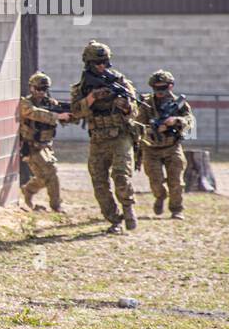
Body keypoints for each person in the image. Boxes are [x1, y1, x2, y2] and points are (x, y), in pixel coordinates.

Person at [69, 40, 141, 234]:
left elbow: (135, 110)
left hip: (120, 136)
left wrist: (125, 105)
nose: (102, 67)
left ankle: (128, 208)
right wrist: (92, 98)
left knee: (121, 175)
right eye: (97, 63)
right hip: (98, 138)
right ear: (88, 63)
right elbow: (75, 113)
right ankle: (114, 218)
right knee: (99, 181)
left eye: (104, 62)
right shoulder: (82, 87)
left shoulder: (119, 81)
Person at [136, 70, 195, 220]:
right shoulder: (146, 104)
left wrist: (176, 120)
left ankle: (176, 209)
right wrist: (153, 129)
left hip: (172, 146)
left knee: (176, 181)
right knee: (155, 180)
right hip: (150, 148)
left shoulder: (179, 103)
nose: (160, 92)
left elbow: (190, 122)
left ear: (170, 86)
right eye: (156, 88)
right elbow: (137, 125)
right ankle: (160, 197)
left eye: (163, 88)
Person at [17, 71, 72, 212]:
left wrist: (69, 115)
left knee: (43, 177)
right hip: (31, 147)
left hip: (46, 146)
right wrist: (57, 116)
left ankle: (28, 190)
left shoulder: (50, 103)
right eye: (39, 89)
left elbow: (64, 117)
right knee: (51, 172)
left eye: (44, 89)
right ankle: (56, 205)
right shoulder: (26, 103)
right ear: (31, 88)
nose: (41, 92)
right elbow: (34, 113)